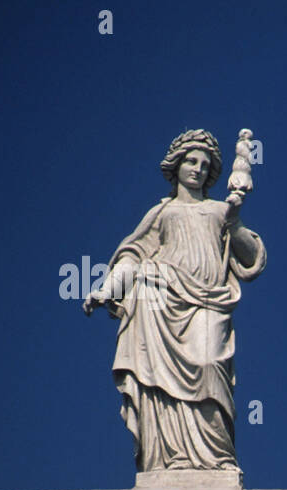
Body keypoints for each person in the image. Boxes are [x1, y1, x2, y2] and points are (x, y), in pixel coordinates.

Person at [84, 129, 266, 471]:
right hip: (159, 297)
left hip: (209, 302)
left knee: (211, 364)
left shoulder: (218, 210)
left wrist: (235, 221)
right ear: (176, 165)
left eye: (204, 164)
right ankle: (169, 459)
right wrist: (108, 289)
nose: (197, 168)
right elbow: (133, 257)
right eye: (190, 161)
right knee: (159, 385)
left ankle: (216, 459)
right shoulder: (161, 213)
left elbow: (251, 257)